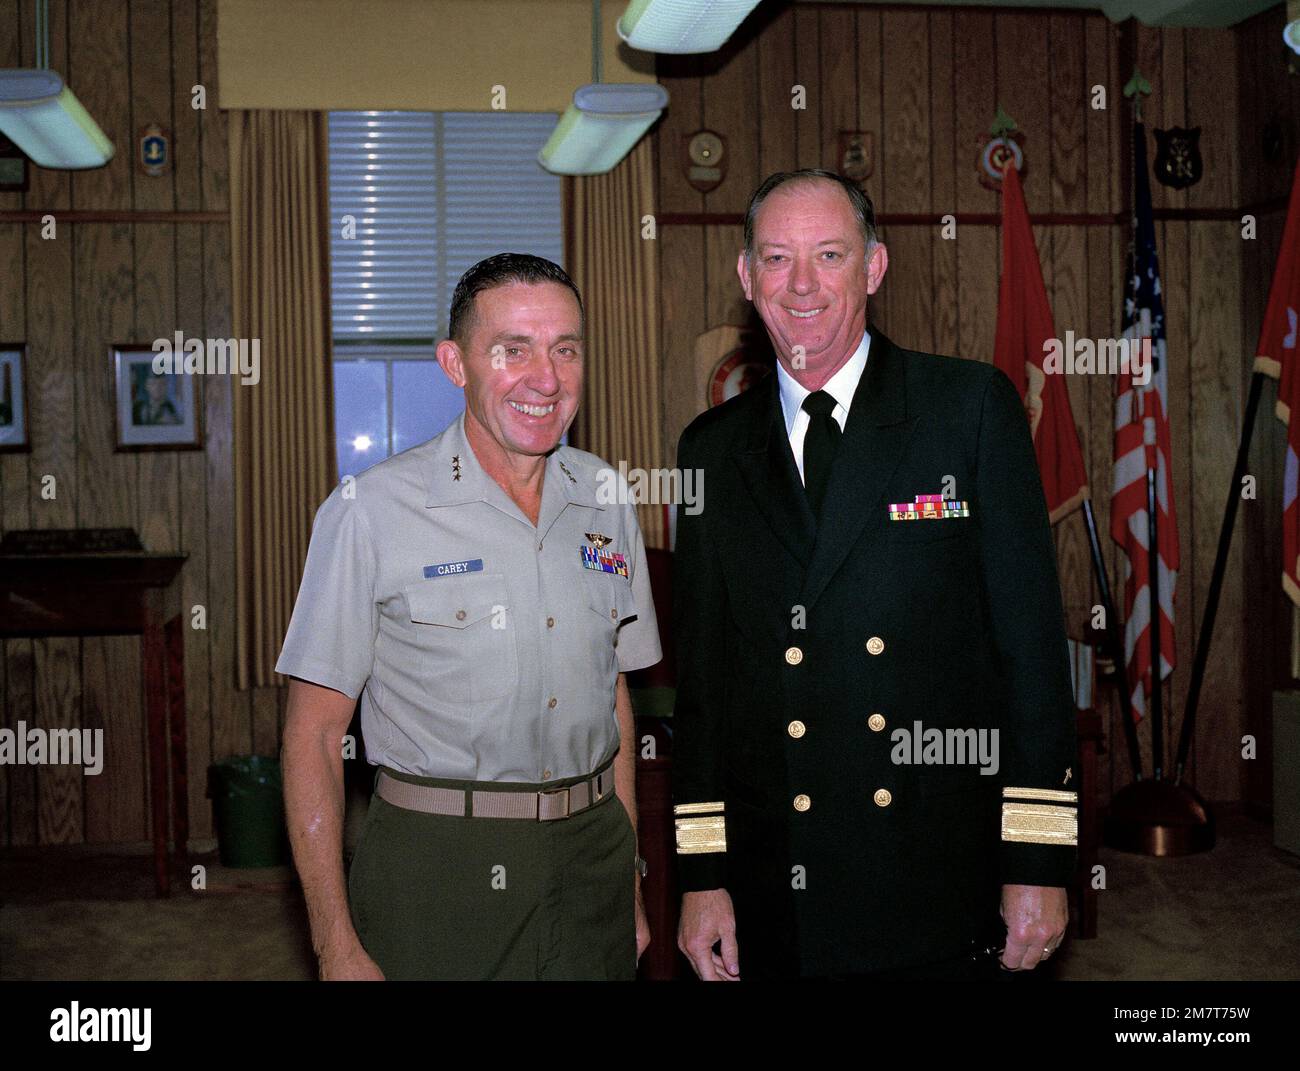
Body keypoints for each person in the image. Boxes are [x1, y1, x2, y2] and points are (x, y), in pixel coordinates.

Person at [671, 170, 1078, 981]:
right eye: (777, 259)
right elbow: (704, 691)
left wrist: (1038, 859)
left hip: (933, 871)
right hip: (774, 883)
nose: (802, 284)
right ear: (747, 277)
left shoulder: (967, 409)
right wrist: (701, 876)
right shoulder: (710, 448)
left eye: (829, 254)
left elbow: (1032, 657)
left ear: (875, 268)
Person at [278, 253, 661, 980]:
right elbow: (314, 733)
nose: (545, 378)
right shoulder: (372, 513)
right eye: (512, 350)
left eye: (565, 349)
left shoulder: (607, 497)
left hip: (592, 856)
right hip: (439, 862)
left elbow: (613, 698)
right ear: (455, 363)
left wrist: (629, 884)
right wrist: (334, 942)